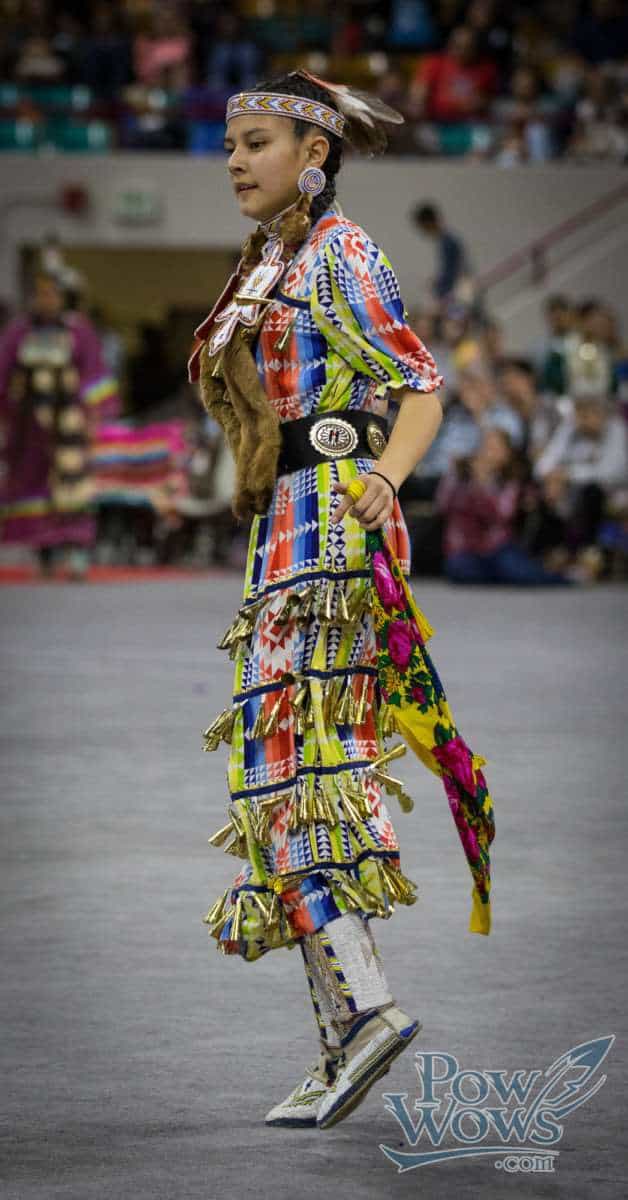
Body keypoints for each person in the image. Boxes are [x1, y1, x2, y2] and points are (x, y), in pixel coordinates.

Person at [189, 68, 494, 1131]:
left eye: (259, 142)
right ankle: (347, 1027)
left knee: (297, 768)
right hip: (285, 525)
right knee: (277, 778)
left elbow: (418, 380)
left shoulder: (340, 250)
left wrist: (385, 477)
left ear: (312, 156)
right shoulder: (270, 259)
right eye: (232, 142)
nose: (236, 159)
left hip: (332, 524)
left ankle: (363, 1011)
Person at [0, 269, 118, 580]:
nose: (46, 300)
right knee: (36, 485)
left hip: (69, 423)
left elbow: (93, 371)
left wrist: (96, 413)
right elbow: (3, 372)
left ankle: (77, 553)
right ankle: (45, 553)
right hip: (30, 426)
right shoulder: (20, 331)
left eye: (52, 294)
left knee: (73, 486)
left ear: (63, 297)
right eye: (41, 295)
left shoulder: (77, 330)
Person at [412, 201, 473, 308]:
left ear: (428, 223)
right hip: (456, 290)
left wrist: (438, 287)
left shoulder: (448, 241)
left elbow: (452, 272)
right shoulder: (445, 241)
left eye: (423, 228)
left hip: (457, 293)